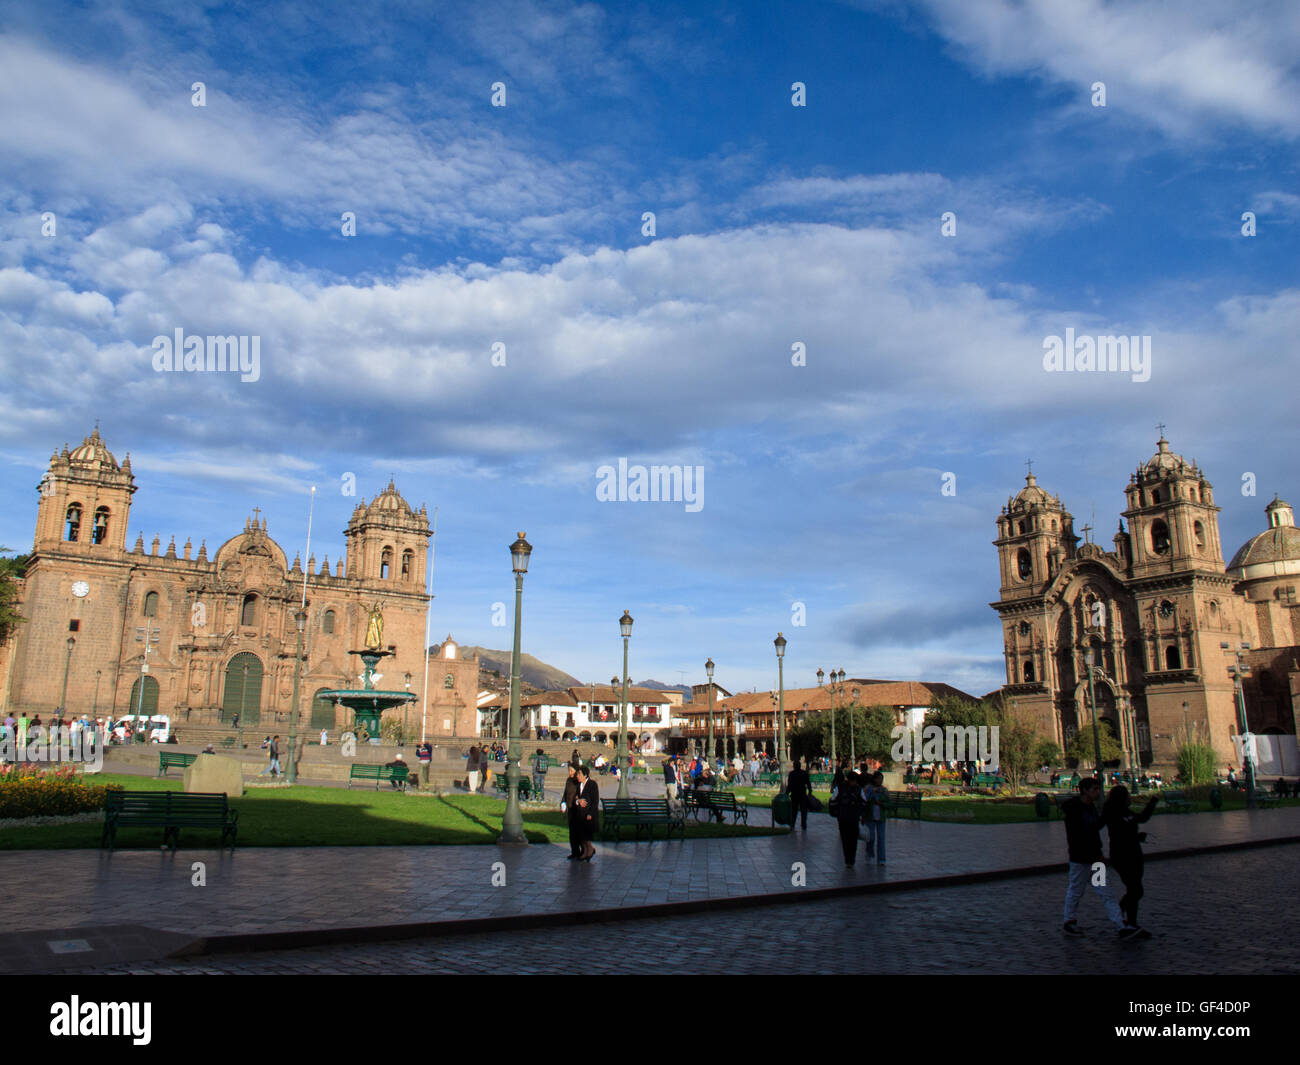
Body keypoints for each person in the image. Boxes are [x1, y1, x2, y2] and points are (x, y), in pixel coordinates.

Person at [1061, 777, 1134, 939]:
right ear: (1085, 790)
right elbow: (1079, 836)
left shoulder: (1090, 808)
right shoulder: (1075, 810)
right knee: (1076, 890)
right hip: (1081, 860)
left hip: (1095, 859)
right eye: (1094, 789)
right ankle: (1069, 921)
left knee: (1106, 891)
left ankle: (1120, 924)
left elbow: (1093, 831)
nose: (1098, 792)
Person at [1102, 785, 1157, 938]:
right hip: (1122, 856)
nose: (1129, 798)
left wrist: (1152, 803)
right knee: (1135, 890)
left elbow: (1142, 818)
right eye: (1127, 796)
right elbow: (1119, 835)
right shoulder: (1112, 813)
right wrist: (1135, 837)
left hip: (1135, 854)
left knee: (1135, 889)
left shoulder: (1128, 812)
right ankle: (1125, 917)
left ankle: (1128, 919)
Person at [833, 770, 867, 866]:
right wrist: (861, 813)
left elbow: (833, 800)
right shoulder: (858, 789)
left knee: (846, 839)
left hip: (844, 817)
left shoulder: (840, 788)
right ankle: (850, 859)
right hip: (852, 817)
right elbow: (864, 802)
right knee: (851, 839)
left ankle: (849, 859)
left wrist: (836, 812)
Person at [570, 764, 599, 861]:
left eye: (579, 774)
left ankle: (589, 851)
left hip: (588, 815)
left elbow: (595, 801)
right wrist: (578, 801)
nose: (577, 776)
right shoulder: (579, 785)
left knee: (586, 835)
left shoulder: (592, 784)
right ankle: (587, 851)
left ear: (585, 775)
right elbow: (576, 798)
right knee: (581, 835)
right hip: (580, 815)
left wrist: (591, 813)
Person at [862, 770, 888, 864]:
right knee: (871, 837)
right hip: (870, 816)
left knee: (881, 838)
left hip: (881, 817)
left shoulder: (884, 790)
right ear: (874, 779)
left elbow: (888, 803)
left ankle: (881, 858)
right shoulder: (868, 788)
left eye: (881, 779)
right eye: (878, 779)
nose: (880, 781)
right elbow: (864, 800)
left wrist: (882, 803)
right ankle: (869, 853)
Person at [787, 757, 811, 829]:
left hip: (794, 794)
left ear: (794, 766)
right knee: (803, 810)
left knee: (794, 810)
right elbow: (808, 783)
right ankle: (803, 824)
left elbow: (789, 785)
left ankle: (792, 824)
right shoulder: (804, 773)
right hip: (802, 794)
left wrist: (786, 793)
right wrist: (810, 791)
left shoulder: (792, 774)